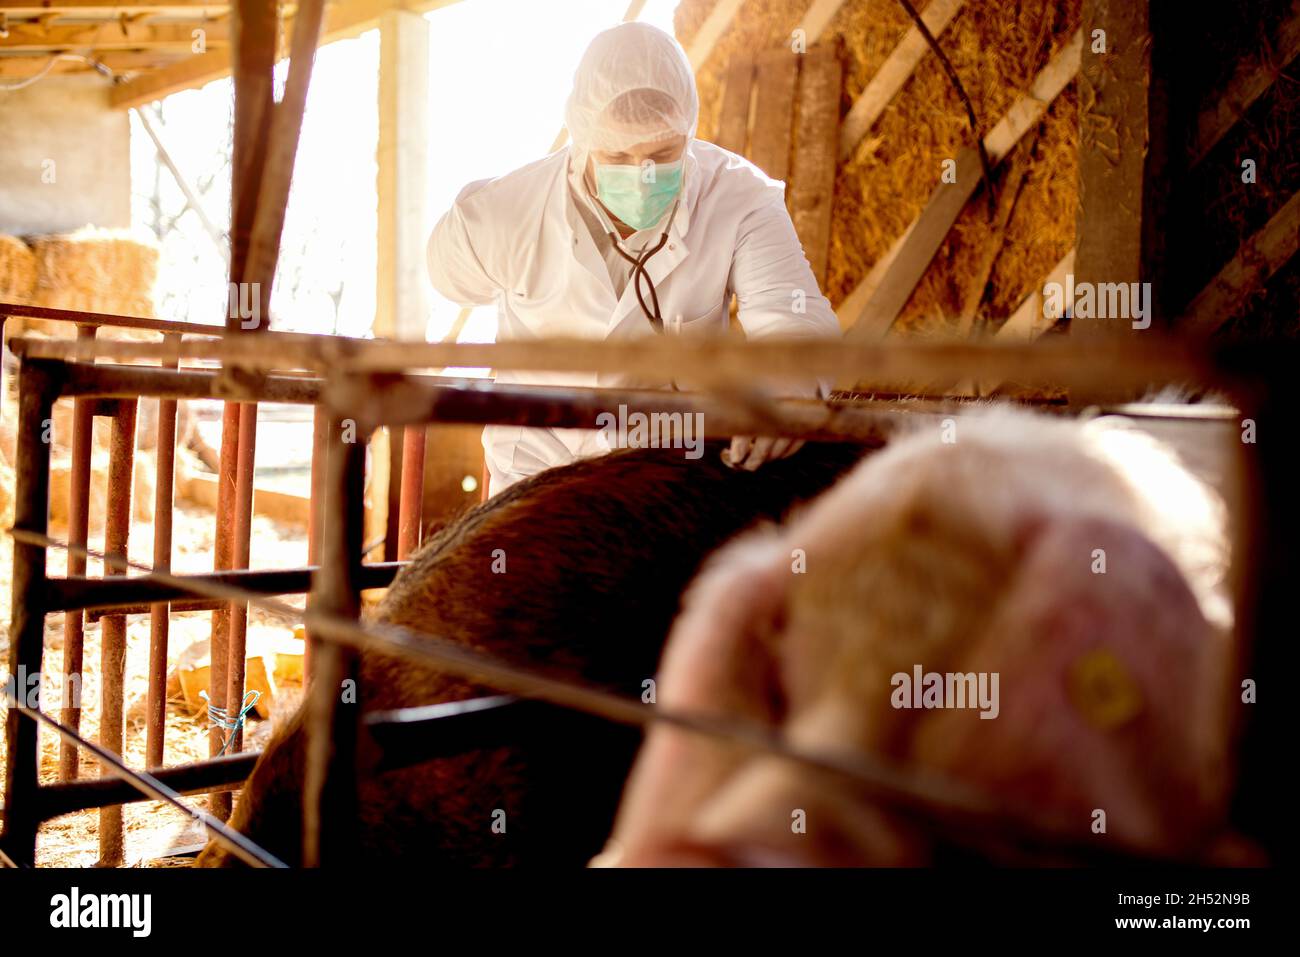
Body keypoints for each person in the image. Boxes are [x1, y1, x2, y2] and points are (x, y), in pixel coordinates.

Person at [428, 21, 841, 496]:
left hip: (671, 477)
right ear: (582, 138)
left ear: (690, 129)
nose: (643, 175)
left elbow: (794, 312)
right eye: (619, 156)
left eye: (663, 153)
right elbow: (446, 274)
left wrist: (786, 389)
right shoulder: (508, 212)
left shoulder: (739, 197)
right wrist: (474, 226)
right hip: (536, 480)